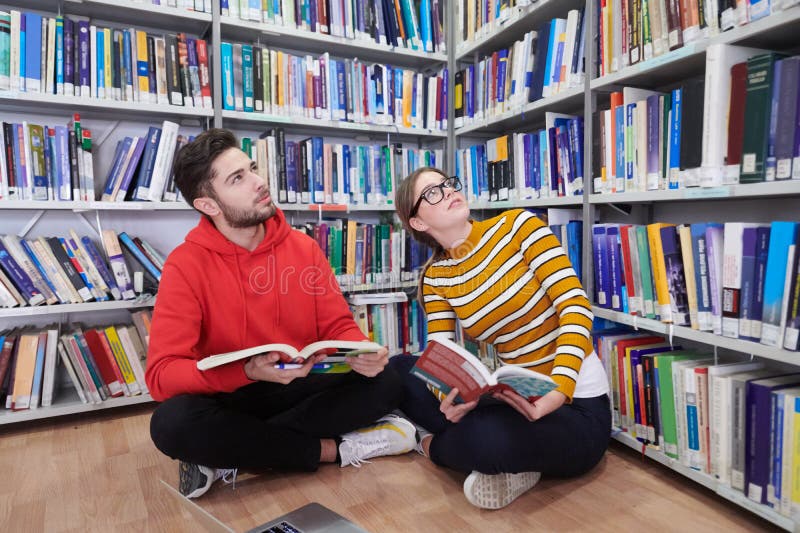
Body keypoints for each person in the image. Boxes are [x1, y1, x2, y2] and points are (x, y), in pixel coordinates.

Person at [145, 129, 417, 499]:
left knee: (388, 381)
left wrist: (361, 350)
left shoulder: (302, 248)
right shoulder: (184, 265)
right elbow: (161, 376)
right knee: (171, 424)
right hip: (233, 392)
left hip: (298, 382)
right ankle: (333, 450)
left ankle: (233, 452)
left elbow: (337, 324)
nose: (259, 182)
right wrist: (243, 370)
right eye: (238, 179)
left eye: (252, 168)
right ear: (208, 205)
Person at [389, 167, 611, 509]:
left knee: (486, 439)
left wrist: (558, 390)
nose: (448, 192)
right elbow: (440, 353)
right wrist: (452, 396)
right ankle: (499, 454)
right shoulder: (436, 278)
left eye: (448, 183)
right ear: (418, 222)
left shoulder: (517, 227)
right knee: (400, 369)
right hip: (515, 398)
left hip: (574, 404)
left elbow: (576, 308)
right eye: (432, 193)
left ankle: (429, 445)